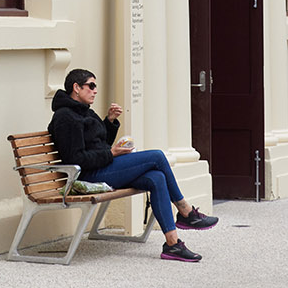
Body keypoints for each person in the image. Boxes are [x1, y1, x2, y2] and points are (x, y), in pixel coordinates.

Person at [48, 67, 218, 263]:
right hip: (87, 177)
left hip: (101, 168)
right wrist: (111, 153)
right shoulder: (65, 117)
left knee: (157, 177)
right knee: (157, 156)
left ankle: (173, 244)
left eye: (96, 86)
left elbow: (98, 142)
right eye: (91, 86)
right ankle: (185, 210)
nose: (95, 90)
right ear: (76, 88)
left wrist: (110, 121)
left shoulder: (84, 111)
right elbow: (75, 158)